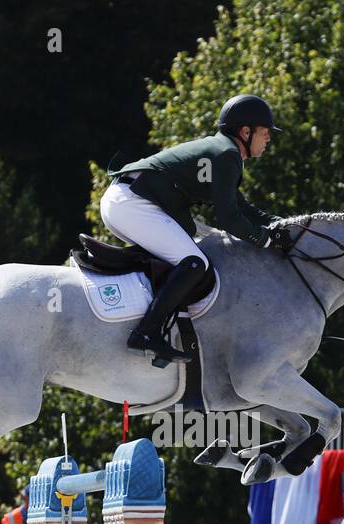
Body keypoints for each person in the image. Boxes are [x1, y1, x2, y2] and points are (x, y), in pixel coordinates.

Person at [103, 94, 286, 363]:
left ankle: (154, 321)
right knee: (194, 262)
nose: (268, 139)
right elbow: (228, 218)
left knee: (184, 258)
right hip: (132, 203)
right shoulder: (227, 155)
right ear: (245, 131)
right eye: (265, 132)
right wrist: (266, 241)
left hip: (127, 200)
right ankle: (145, 333)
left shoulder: (222, 150)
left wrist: (282, 226)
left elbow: (242, 208)